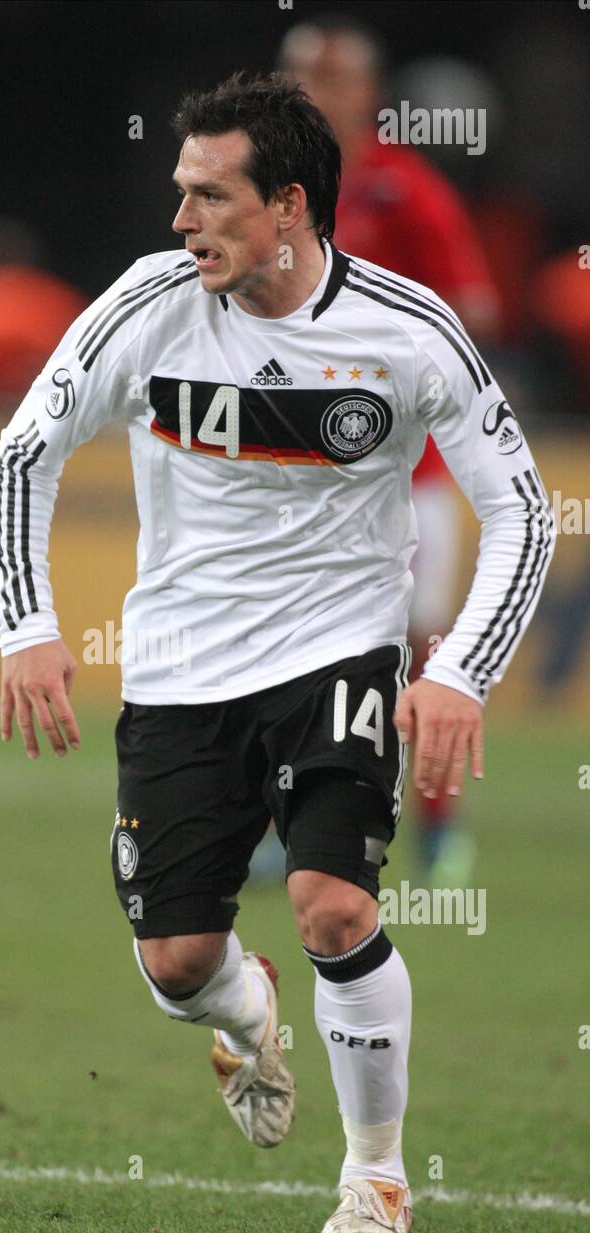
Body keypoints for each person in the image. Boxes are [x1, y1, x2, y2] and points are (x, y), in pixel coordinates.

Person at [0, 74, 553, 1233]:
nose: (182, 221)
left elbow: (526, 513)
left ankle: (376, 1176)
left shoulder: (405, 332)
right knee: (177, 962)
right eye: (178, 194)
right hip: (180, 673)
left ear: (289, 204)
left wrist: (456, 673)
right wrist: (28, 626)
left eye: (211, 197)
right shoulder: (145, 307)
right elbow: (21, 455)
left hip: (336, 657)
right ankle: (248, 1019)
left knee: (332, 906)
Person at [275, 15, 502, 885]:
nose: (312, 93)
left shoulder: (402, 190)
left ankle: (441, 824)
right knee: (292, 645)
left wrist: (377, 340)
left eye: (329, 78)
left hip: (410, 473)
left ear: (366, 94)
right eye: (299, 75)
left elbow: (475, 308)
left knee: (420, 649)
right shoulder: (268, 190)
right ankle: (284, 823)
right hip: (294, 471)